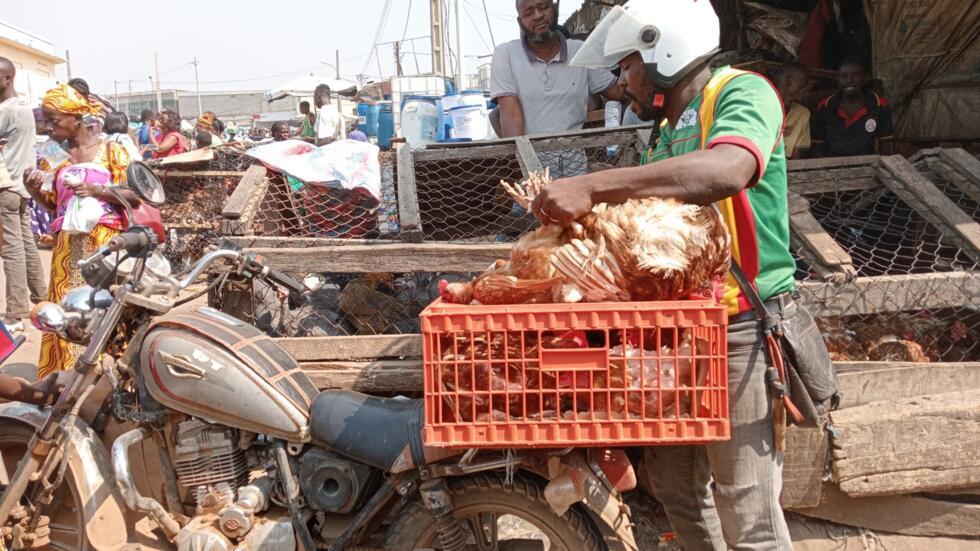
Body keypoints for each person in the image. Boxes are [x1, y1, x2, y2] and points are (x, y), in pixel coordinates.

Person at [530, 2, 832, 548]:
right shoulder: (667, 127)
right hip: (672, 334)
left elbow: (728, 169)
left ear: (661, 49)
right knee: (677, 490)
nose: (623, 81)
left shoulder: (742, 92)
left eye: (627, 66)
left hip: (738, 327)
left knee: (749, 509)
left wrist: (595, 185)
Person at [25, 83, 141, 378]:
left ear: (76, 118)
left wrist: (97, 189)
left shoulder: (111, 151)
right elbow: (54, 206)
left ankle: (108, 375)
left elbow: (134, 194)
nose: (48, 127)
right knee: (65, 309)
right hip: (65, 248)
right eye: (46, 120)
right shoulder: (54, 157)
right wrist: (34, 191)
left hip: (103, 244)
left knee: (102, 305)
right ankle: (66, 377)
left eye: (54, 120)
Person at [0, 57, 47, 333]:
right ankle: (41, 296)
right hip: (22, 188)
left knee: (12, 250)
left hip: (5, 188)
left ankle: (16, 310)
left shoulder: (6, 111)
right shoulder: (24, 109)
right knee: (26, 245)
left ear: (7, 79)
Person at [810, 59, 893, 157]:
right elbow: (817, 146)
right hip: (832, 166)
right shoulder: (825, 106)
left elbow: (885, 144)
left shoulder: (879, 105)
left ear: (865, 78)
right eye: (844, 76)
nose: (849, 80)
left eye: (856, 75)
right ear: (838, 80)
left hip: (867, 165)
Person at [771, 63, 810, 159]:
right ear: (788, 82)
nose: (806, 88)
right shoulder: (759, 107)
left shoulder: (802, 113)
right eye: (803, 83)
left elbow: (796, 159)